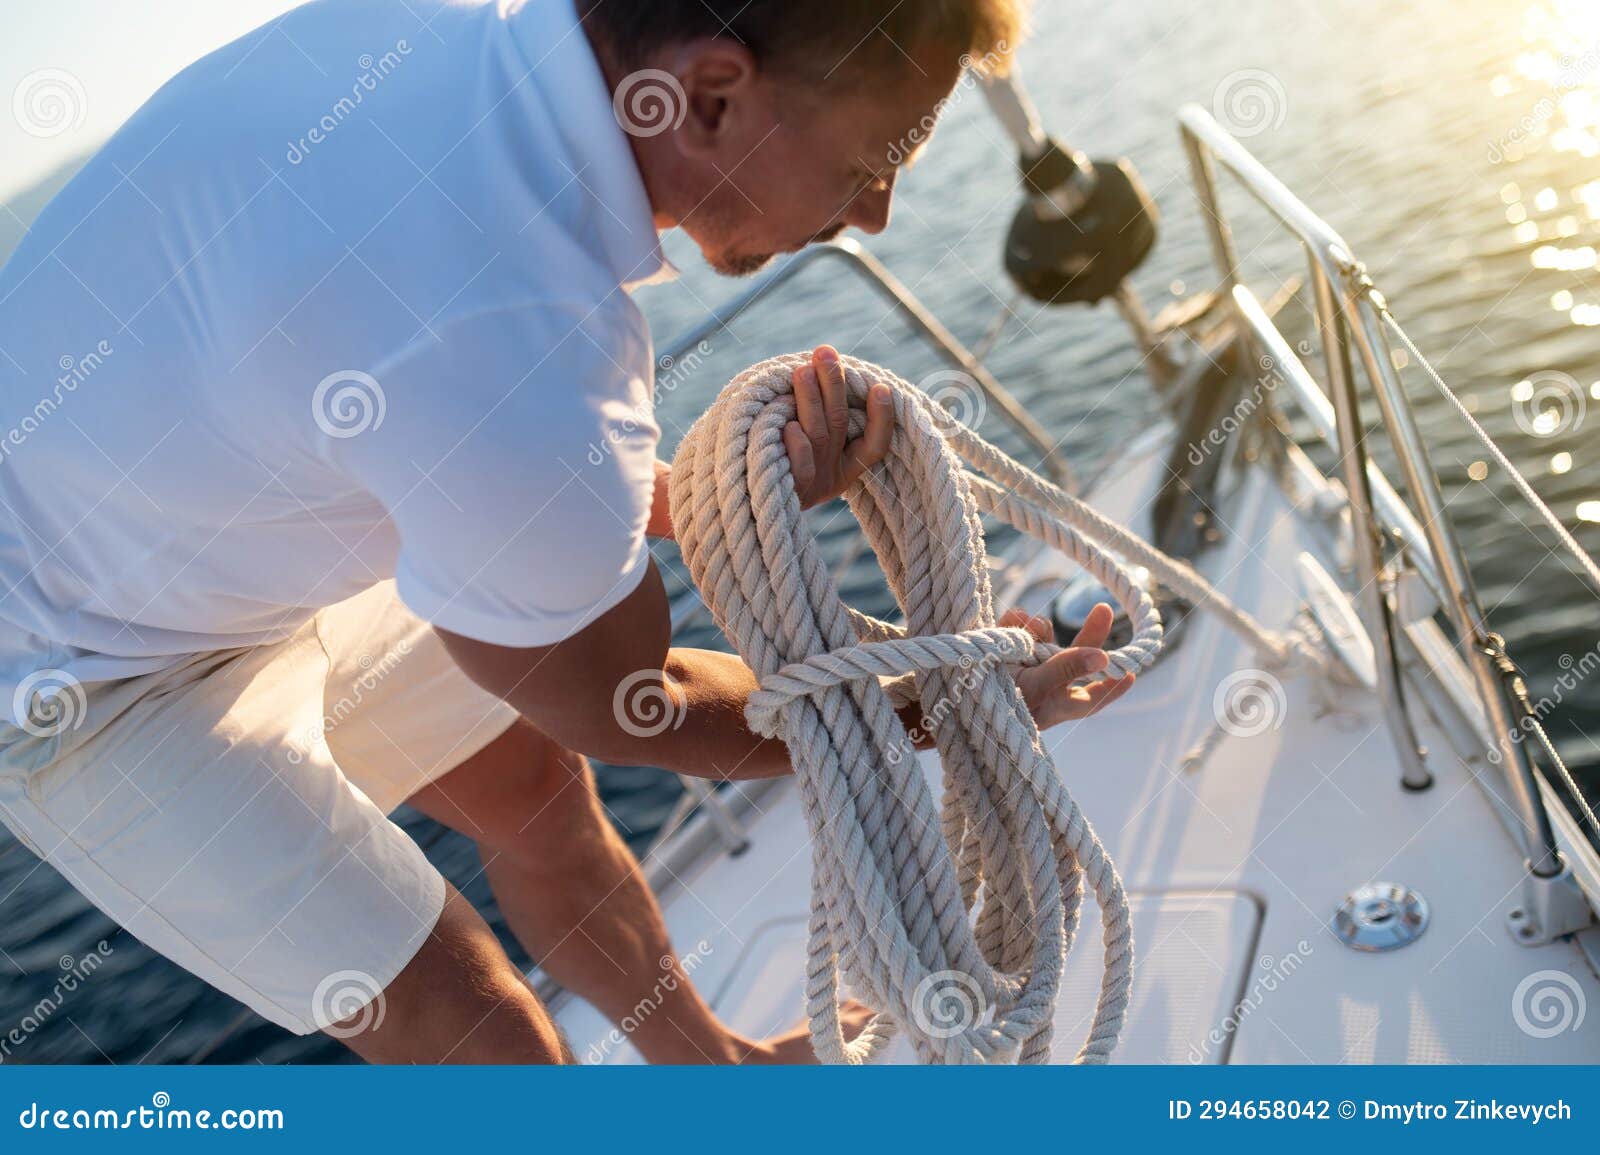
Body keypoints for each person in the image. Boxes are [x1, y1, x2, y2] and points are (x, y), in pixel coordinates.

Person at [0, 0, 1132, 1064]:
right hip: (76, 668)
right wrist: (954, 707)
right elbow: (630, 701)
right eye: (875, 157)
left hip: (220, 508)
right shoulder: (508, 332)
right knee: (477, 1032)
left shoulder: (473, 67)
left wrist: (740, 493)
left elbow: (502, 474)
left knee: (534, 795)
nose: (876, 210)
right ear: (709, 96)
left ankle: (714, 1074)